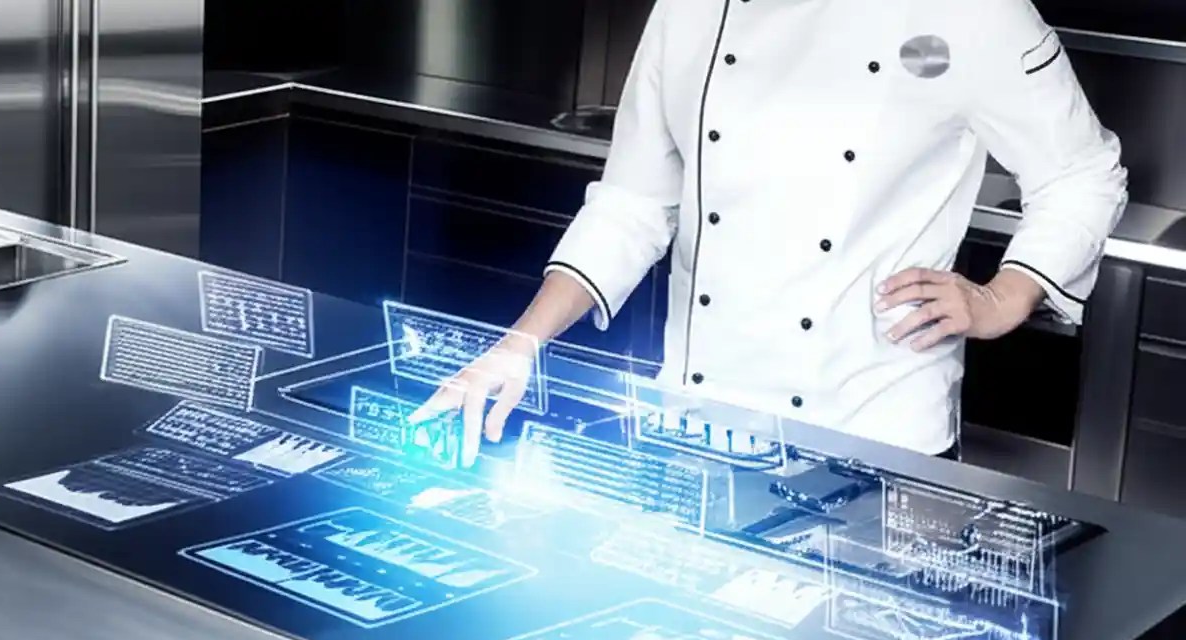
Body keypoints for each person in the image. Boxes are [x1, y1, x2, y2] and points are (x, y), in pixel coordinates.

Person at [411, 0, 1127, 466]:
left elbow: (1083, 172)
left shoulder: (967, 13)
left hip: (870, 431)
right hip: (695, 424)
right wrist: (518, 345)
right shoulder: (687, 12)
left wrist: (1006, 295)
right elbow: (632, 202)